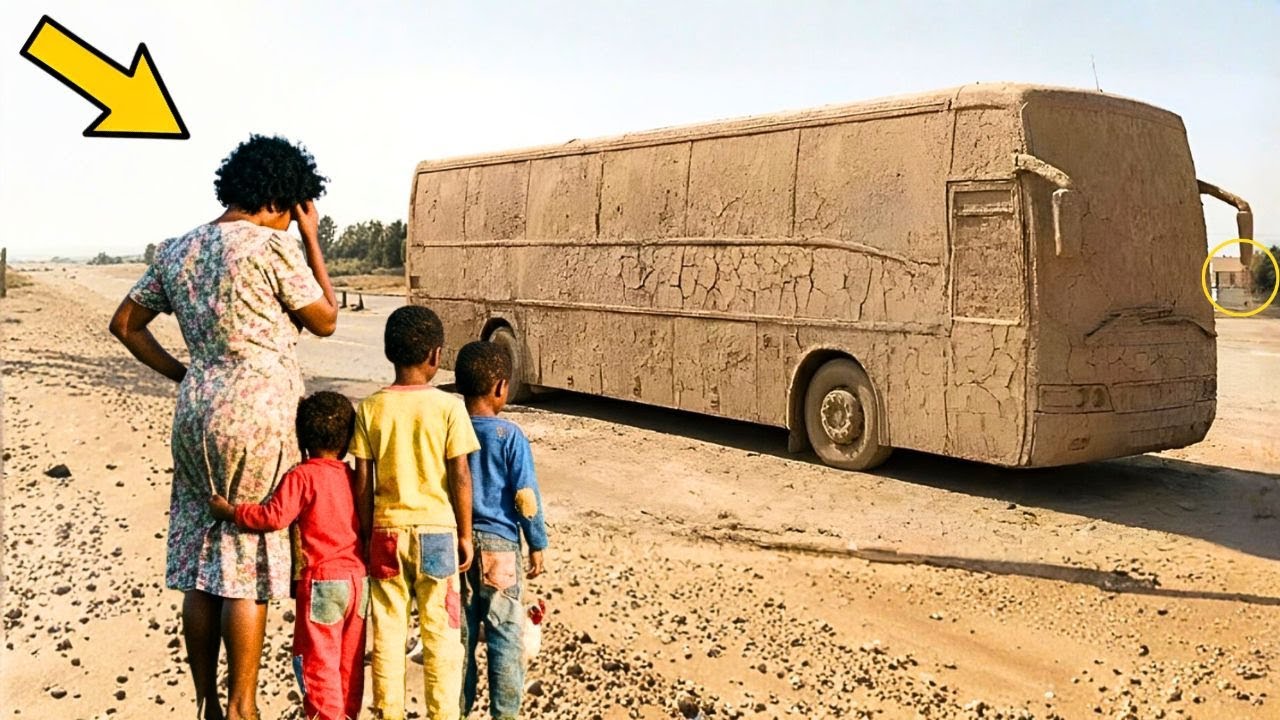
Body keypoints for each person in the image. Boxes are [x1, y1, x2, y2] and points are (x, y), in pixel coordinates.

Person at [109, 135, 338, 720]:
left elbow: (126, 324)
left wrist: (184, 373)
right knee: (246, 559)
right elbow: (327, 321)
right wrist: (311, 239)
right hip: (259, 412)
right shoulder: (274, 248)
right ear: (282, 198)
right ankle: (243, 706)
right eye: (294, 210)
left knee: (200, 557)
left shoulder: (179, 249)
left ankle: (206, 700)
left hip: (196, 409)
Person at [349, 306, 480, 720]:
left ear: (390, 352)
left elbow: (362, 481)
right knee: (442, 633)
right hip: (439, 534)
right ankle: (444, 713)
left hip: (387, 533)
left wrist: (366, 534)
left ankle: (388, 711)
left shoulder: (370, 408)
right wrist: (465, 533)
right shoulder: (449, 408)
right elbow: (460, 474)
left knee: (387, 631)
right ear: (436, 356)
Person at [208, 391, 367, 720]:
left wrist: (232, 512)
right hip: (358, 581)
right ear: (348, 440)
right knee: (349, 661)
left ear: (302, 438)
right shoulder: (353, 478)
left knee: (318, 661)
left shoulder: (302, 476)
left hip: (323, 581)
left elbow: (274, 517)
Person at [453, 341, 548, 720]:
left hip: (455, 546)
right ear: (500, 388)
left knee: (460, 634)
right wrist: (537, 543)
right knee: (505, 636)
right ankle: (504, 713)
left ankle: (457, 708)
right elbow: (526, 496)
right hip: (501, 549)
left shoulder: (450, 428)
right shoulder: (510, 435)